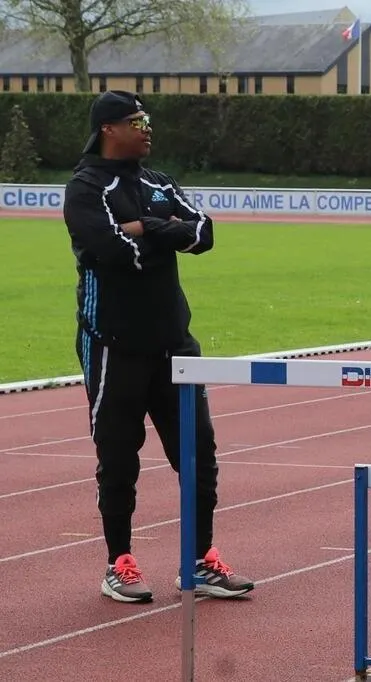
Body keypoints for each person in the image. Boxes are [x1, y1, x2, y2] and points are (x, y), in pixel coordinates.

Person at [63, 90, 254, 603]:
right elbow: (108, 250)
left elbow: (204, 233)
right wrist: (162, 234)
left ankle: (200, 560)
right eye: (137, 120)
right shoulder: (86, 188)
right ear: (108, 128)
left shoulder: (159, 182)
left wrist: (147, 225)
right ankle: (119, 563)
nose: (148, 128)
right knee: (119, 458)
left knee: (199, 455)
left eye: (148, 119)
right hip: (113, 345)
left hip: (176, 346)